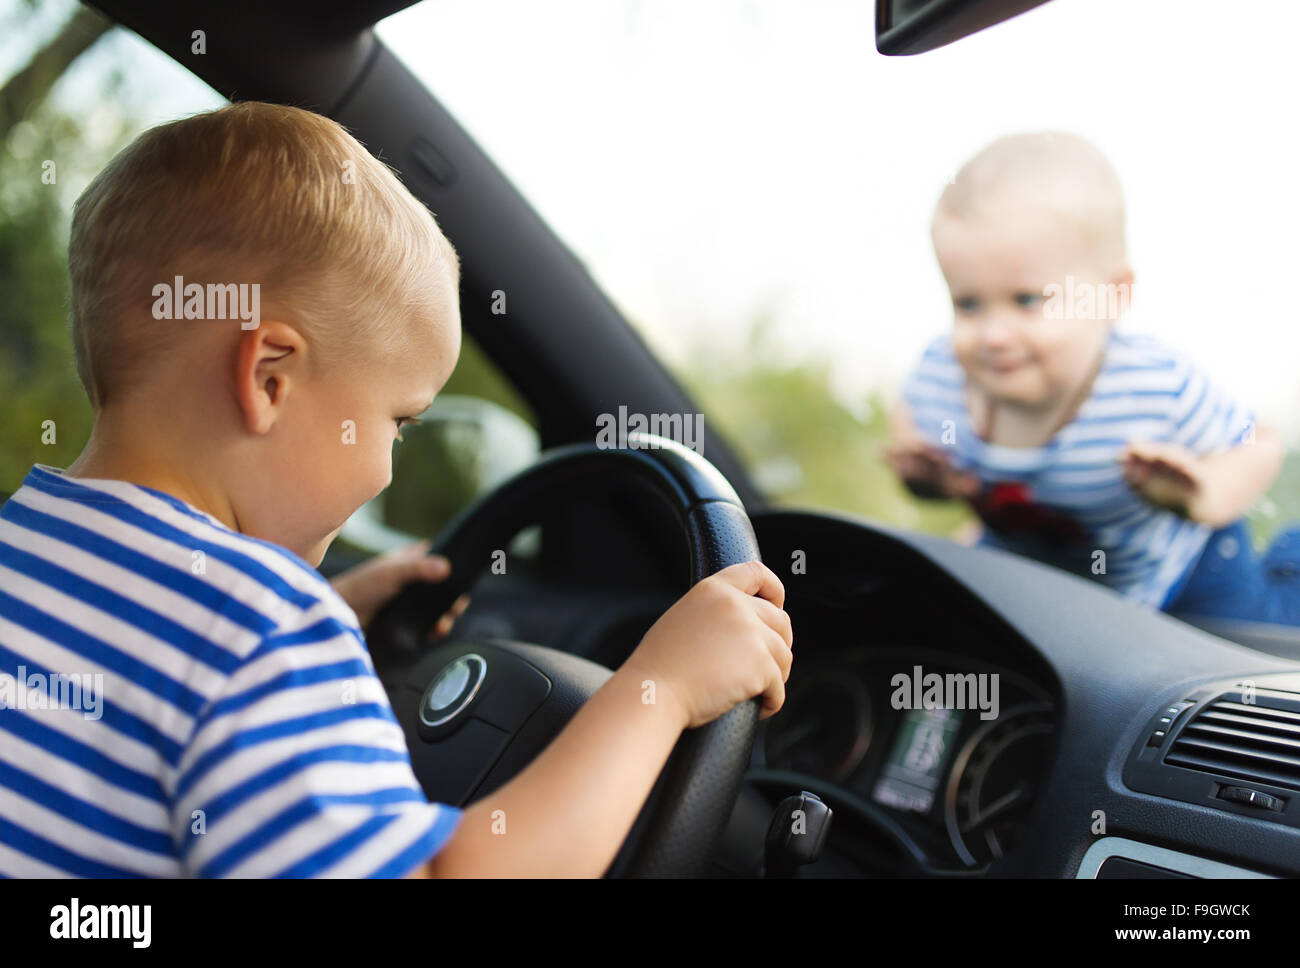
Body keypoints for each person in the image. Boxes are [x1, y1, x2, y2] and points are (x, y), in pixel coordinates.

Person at [0, 101, 793, 877]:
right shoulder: (266, 633)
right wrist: (661, 687)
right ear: (269, 379)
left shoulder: (25, 549)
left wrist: (341, 609)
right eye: (400, 421)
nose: (387, 466)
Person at [886, 131, 1300, 625]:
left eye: (1027, 300)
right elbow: (908, 419)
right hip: (1046, 581)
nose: (994, 335)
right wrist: (929, 481)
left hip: (1182, 575)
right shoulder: (941, 378)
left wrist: (1202, 495)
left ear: (1112, 295)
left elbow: (1260, 442)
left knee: (1256, 636)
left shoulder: (1151, 388)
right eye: (968, 303)